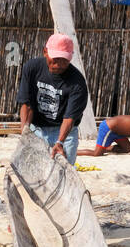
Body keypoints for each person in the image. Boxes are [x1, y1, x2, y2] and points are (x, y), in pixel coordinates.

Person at [16, 33, 89, 164]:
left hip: (65, 133)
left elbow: (69, 118)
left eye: (64, 60)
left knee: (62, 173)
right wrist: (24, 132)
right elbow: (27, 104)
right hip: (37, 129)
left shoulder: (77, 82)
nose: (59, 65)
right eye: (55, 59)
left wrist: (60, 142)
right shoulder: (32, 68)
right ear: (45, 52)